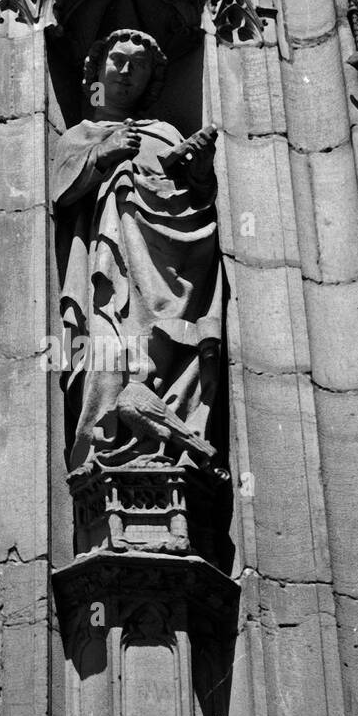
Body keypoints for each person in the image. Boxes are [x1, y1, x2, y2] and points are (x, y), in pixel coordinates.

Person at [52, 29, 222, 473]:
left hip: (165, 274)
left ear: (152, 79)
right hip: (108, 275)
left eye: (140, 66)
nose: (128, 72)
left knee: (160, 358)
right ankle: (99, 451)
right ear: (96, 69)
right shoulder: (81, 135)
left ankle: (170, 445)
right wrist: (102, 155)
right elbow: (59, 194)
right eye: (119, 60)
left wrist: (198, 172)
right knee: (107, 359)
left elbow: (196, 205)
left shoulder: (164, 133)